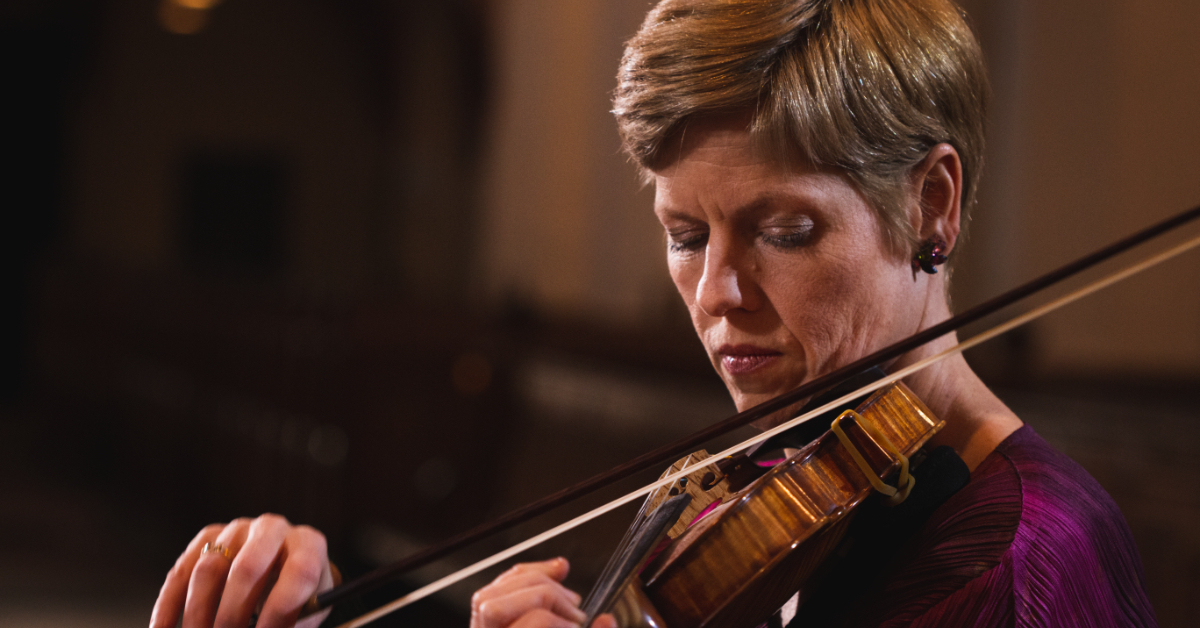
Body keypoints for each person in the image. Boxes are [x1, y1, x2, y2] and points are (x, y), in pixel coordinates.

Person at [150, 1, 1158, 627]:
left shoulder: (1011, 566)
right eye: (686, 235)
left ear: (932, 205)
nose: (718, 292)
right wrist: (314, 607)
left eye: (784, 230)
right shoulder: (782, 473)